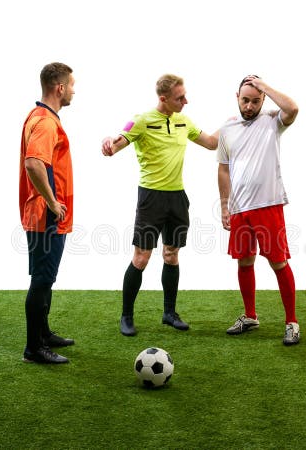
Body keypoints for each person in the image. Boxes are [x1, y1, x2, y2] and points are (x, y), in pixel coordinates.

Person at [102, 74, 218, 336]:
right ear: (163, 99)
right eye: (180, 98)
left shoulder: (183, 121)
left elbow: (211, 143)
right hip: (151, 198)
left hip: (177, 198)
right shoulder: (142, 120)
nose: (186, 101)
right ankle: (127, 316)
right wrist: (109, 143)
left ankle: (169, 313)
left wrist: (233, 125)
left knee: (171, 255)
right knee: (141, 258)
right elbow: (117, 144)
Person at [217, 75, 302, 345]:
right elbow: (223, 168)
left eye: (255, 100)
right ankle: (250, 316)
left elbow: (293, 109)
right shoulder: (228, 129)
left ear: (262, 99)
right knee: (244, 260)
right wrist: (224, 205)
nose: (250, 106)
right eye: (245, 100)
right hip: (240, 207)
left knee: (278, 262)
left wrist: (264, 86)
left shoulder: (272, 121)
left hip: (268, 204)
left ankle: (292, 322)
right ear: (237, 98)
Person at [19, 62, 77, 364]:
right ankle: (34, 348)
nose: (74, 90)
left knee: (46, 278)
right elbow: (33, 163)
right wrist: (53, 203)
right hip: (45, 216)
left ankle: (43, 334)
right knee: (41, 280)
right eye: (72, 85)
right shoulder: (45, 122)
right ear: (60, 88)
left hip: (47, 215)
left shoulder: (42, 117)